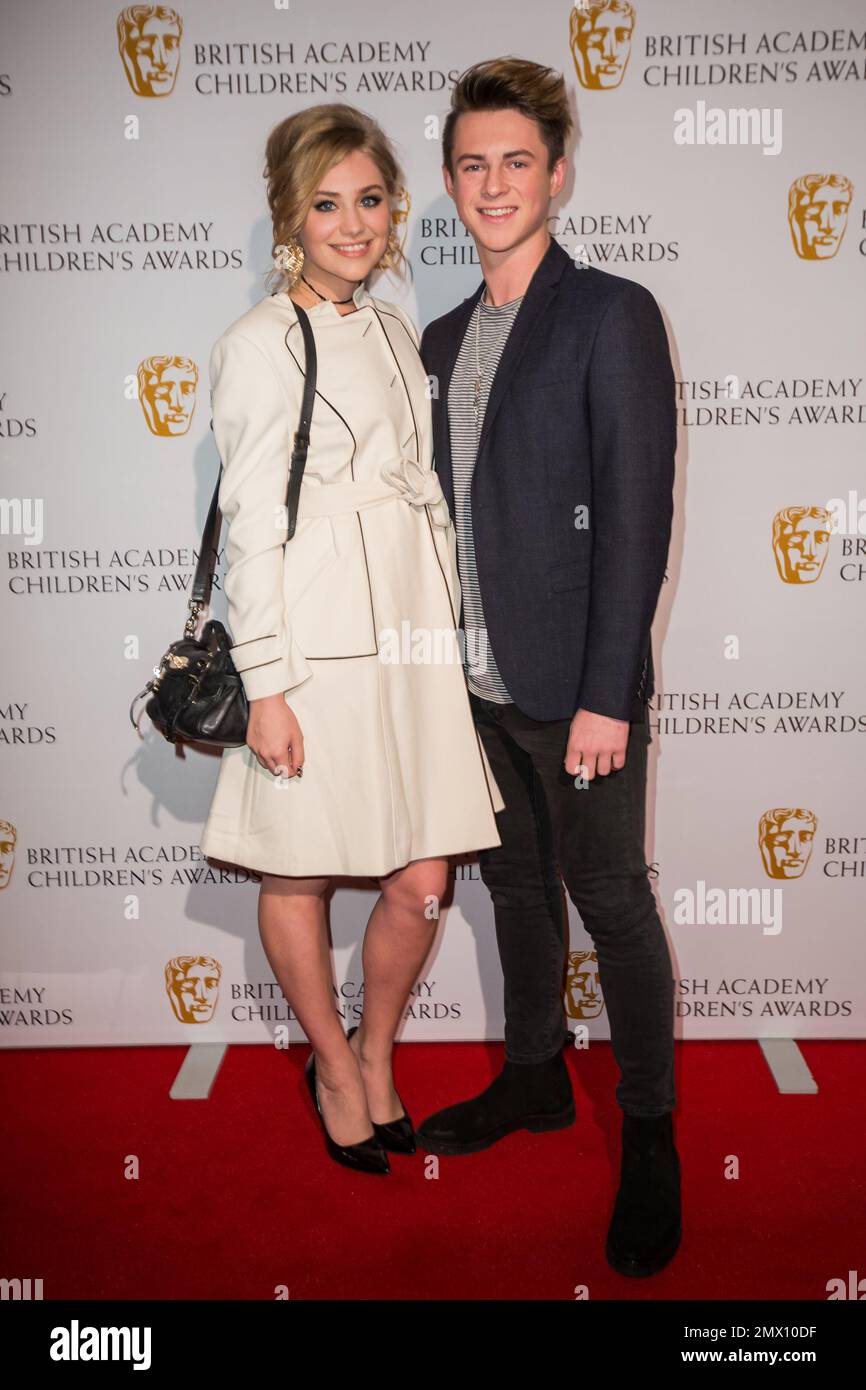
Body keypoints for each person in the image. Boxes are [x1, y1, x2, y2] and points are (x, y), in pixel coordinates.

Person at [199, 103, 504, 1176]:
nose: (351, 222)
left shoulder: (389, 327)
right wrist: (269, 684)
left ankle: (377, 1050)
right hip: (315, 643)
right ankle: (330, 1062)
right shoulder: (253, 344)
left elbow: (421, 492)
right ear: (290, 211)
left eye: (368, 200)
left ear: (393, 209)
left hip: (411, 635)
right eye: (326, 202)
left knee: (422, 874)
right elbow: (249, 527)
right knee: (300, 872)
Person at [415, 58, 680, 1277]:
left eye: (516, 160)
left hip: (576, 690)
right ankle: (533, 1076)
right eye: (472, 163)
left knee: (611, 900)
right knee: (516, 892)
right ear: (452, 180)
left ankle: (651, 1134)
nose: (493, 183)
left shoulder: (609, 312)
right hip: (471, 681)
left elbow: (633, 517)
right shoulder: (437, 334)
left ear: (558, 173)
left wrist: (601, 691)